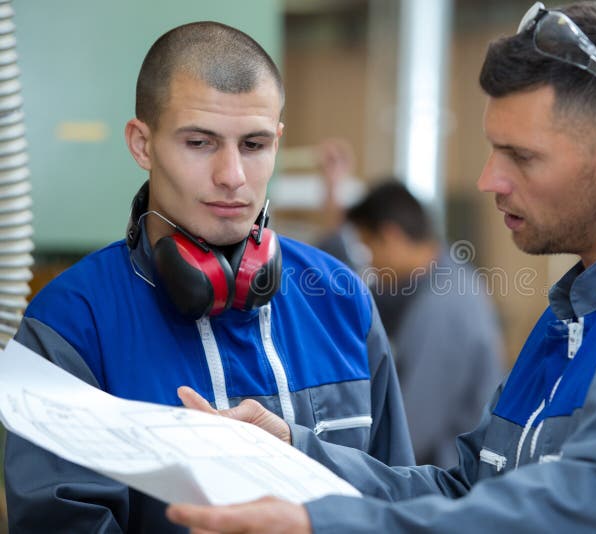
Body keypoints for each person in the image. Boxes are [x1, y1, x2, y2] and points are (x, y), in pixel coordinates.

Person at [165, 2, 596, 532]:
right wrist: (296, 453)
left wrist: (322, 525)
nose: (488, 179)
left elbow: (589, 515)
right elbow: (469, 488)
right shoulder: (578, 310)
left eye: (520, 156)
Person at [3, 21, 414, 533]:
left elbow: (399, 504)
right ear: (141, 144)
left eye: (255, 144)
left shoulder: (339, 298)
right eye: (200, 142)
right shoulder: (72, 322)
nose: (233, 176)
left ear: (278, 141)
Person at [325, 176, 506, 467]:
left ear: (391, 236)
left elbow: (411, 432)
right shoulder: (444, 276)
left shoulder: (443, 308)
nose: (369, 263)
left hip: (449, 480)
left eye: (368, 248)